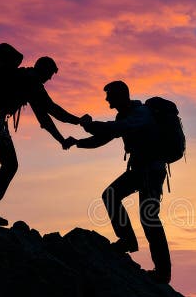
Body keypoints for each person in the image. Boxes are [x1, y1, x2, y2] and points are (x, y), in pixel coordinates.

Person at [0, 56, 85, 226]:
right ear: (43, 70)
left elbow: (44, 118)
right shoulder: (32, 82)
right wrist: (79, 121)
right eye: (49, 74)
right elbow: (52, 110)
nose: (49, 79)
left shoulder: (26, 79)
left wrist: (61, 140)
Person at [71, 80, 172, 283]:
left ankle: (162, 273)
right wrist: (78, 142)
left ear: (120, 95)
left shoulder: (140, 113)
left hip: (151, 171)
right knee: (111, 195)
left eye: (109, 95)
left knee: (149, 219)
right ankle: (127, 240)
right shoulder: (124, 115)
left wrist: (90, 126)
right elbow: (105, 137)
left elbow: (115, 129)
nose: (106, 99)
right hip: (140, 170)